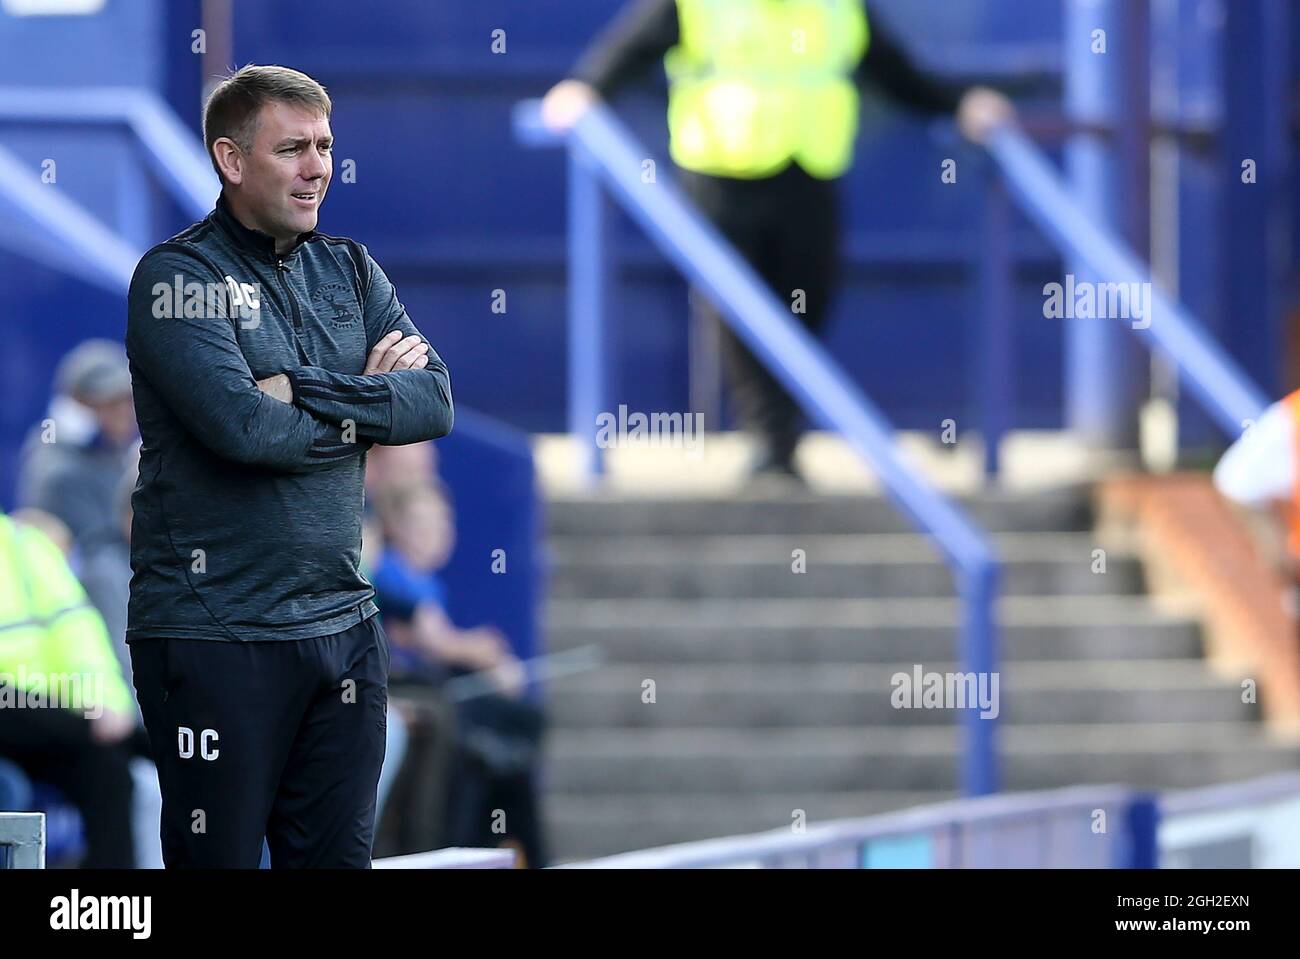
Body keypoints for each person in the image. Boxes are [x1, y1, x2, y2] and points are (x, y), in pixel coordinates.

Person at [125, 64, 453, 868]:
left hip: (344, 631)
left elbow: (433, 402)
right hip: (214, 634)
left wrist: (298, 387)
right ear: (231, 160)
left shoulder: (350, 267)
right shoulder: (179, 280)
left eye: (325, 146)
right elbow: (244, 429)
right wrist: (366, 403)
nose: (317, 168)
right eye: (292, 149)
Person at [542, 0, 1015, 484]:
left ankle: (778, 438)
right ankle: (772, 444)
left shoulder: (838, 7)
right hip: (720, 171)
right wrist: (586, 87)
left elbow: (892, 68)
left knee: (808, 303)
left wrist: (958, 104)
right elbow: (632, 48)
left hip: (807, 171)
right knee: (739, 310)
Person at [371, 482, 547, 867]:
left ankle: (493, 847)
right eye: (422, 524)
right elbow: (436, 642)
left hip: (418, 689)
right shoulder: (390, 569)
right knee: (481, 731)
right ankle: (435, 845)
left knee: (511, 739)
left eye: (441, 523)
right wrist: (487, 652)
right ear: (395, 527)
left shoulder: (422, 580)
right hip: (391, 693)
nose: (435, 533)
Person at [0, 512, 138, 868]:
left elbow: (78, 633)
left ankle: (107, 910)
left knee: (107, 769)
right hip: (25, 709)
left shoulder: (24, 542)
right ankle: (142, 739)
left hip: (42, 714)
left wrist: (103, 701)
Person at [16, 339, 139, 556]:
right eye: (110, 402)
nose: (125, 413)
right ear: (76, 406)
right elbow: (100, 554)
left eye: (127, 400)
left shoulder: (110, 452)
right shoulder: (59, 472)